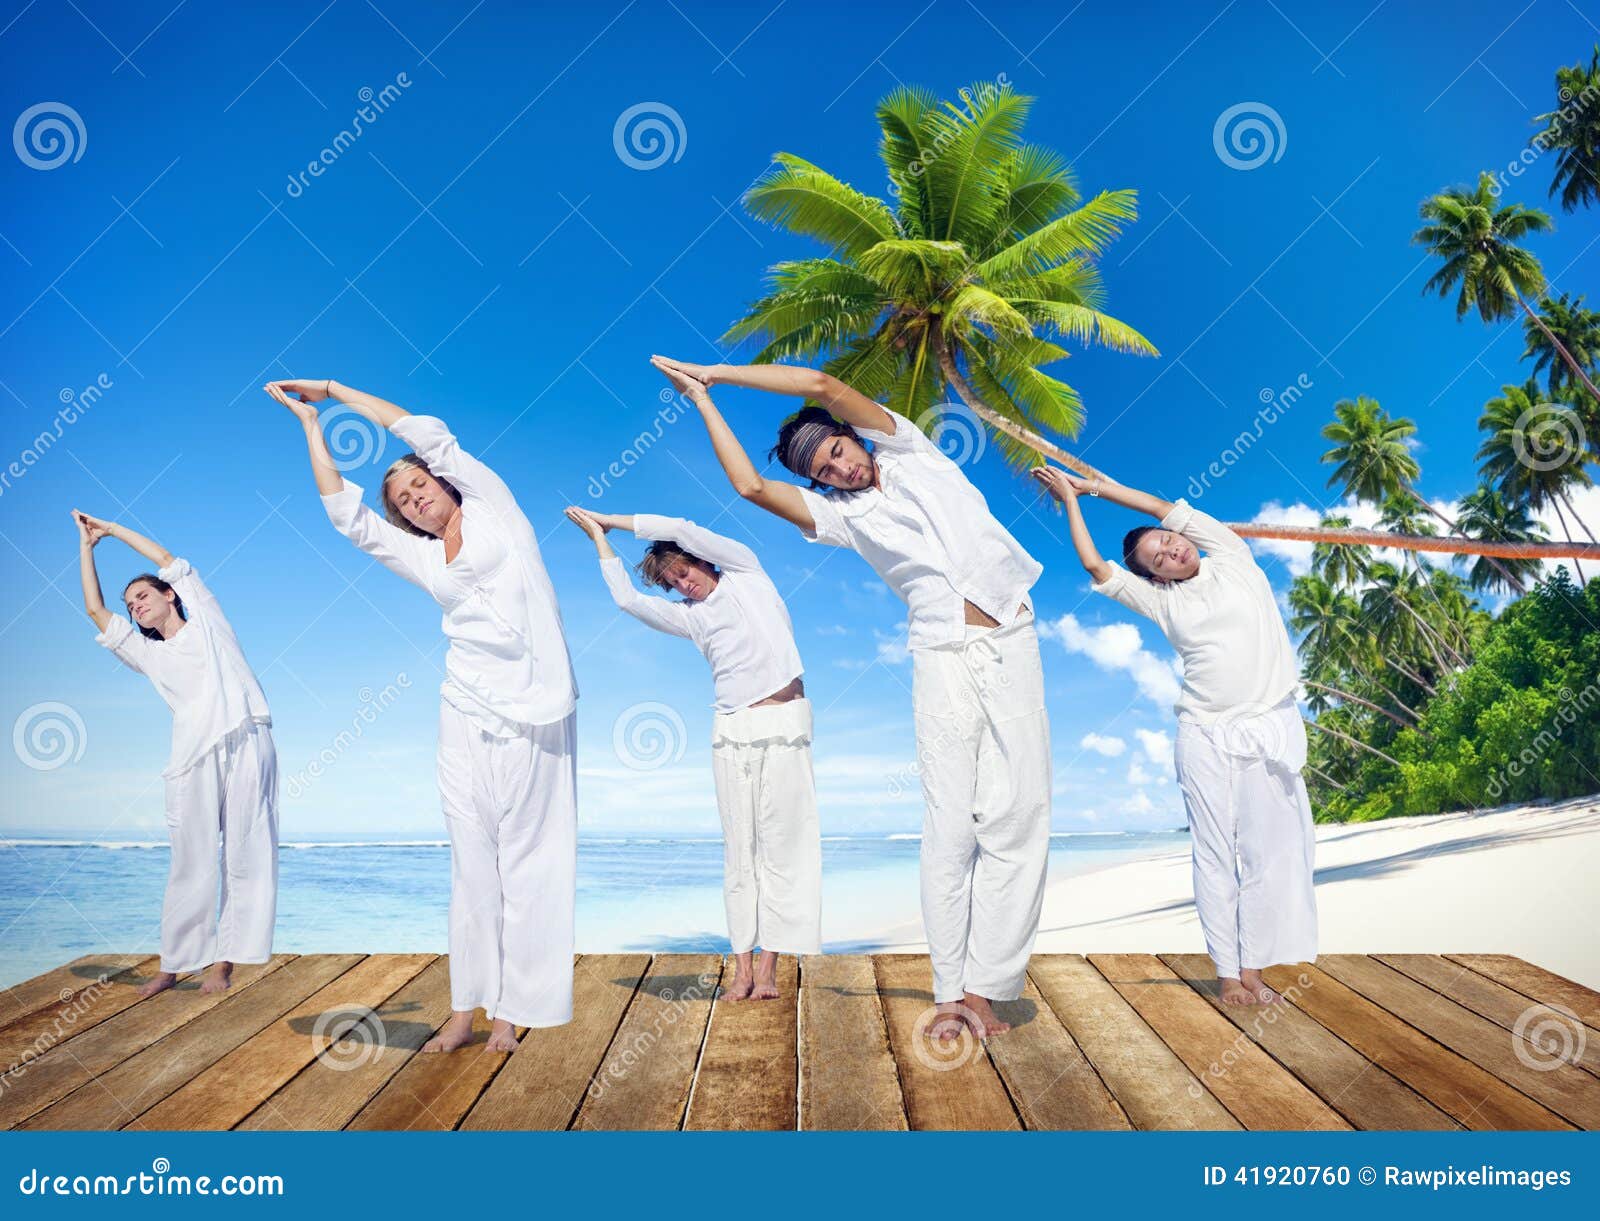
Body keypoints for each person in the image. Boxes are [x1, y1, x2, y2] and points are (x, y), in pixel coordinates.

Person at [650, 355, 1050, 1041]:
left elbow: (821, 385)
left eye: (837, 451)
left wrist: (714, 372)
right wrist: (700, 402)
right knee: (951, 822)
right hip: (941, 654)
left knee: (1019, 814)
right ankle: (954, 990)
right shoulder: (842, 517)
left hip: (1011, 634)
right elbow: (748, 485)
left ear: (854, 436)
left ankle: (990, 986)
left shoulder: (910, 446)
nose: (838, 470)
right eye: (823, 472)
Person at [266, 377, 578, 1052]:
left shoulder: (495, 507)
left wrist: (329, 390)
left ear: (442, 480)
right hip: (462, 704)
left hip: (534, 707)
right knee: (471, 863)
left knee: (527, 862)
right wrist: (310, 426)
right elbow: (345, 516)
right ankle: (464, 1010)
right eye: (405, 501)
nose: (415, 499)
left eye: (419, 485)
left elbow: (419, 429)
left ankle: (511, 1013)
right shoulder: (422, 553)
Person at [1033, 464, 1317, 1005]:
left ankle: (1254, 968)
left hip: (1266, 728)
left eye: (1169, 541)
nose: (1170, 550)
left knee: (1267, 852)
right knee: (1214, 854)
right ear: (1156, 577)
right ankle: (1229, 975)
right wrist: (1071, 500)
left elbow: (1160, 506)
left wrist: (1097, 487)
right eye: (1158, 558)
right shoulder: (1162, 602)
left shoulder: (1231, 555)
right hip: (1203, 732)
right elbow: (1096, 566)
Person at [565, 505, 821, 1000]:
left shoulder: (747, 573)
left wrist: (610, 518)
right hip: (730, 729)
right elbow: (627, 601)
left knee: (785, 845)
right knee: (739, 851)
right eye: (673, 583)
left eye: (684, 572)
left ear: (703, 561)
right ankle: (743, 970)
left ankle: (770, 968)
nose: (683, 585)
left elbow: (681, 526)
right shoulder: (690, 619)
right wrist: (599, 540)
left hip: (785, 721)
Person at [73, 509, 278, 999]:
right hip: (191, 757)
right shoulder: (148, 654)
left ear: (170, 594)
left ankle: (222, 965)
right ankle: (173, 964)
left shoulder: (207, 618)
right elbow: (95, 611)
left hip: (247, 736)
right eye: (131, 604)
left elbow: (166, 558)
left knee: (248, 855)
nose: (136, 606)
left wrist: (112, 530)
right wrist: (85, 548)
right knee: (190, 861)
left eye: (143, 595)